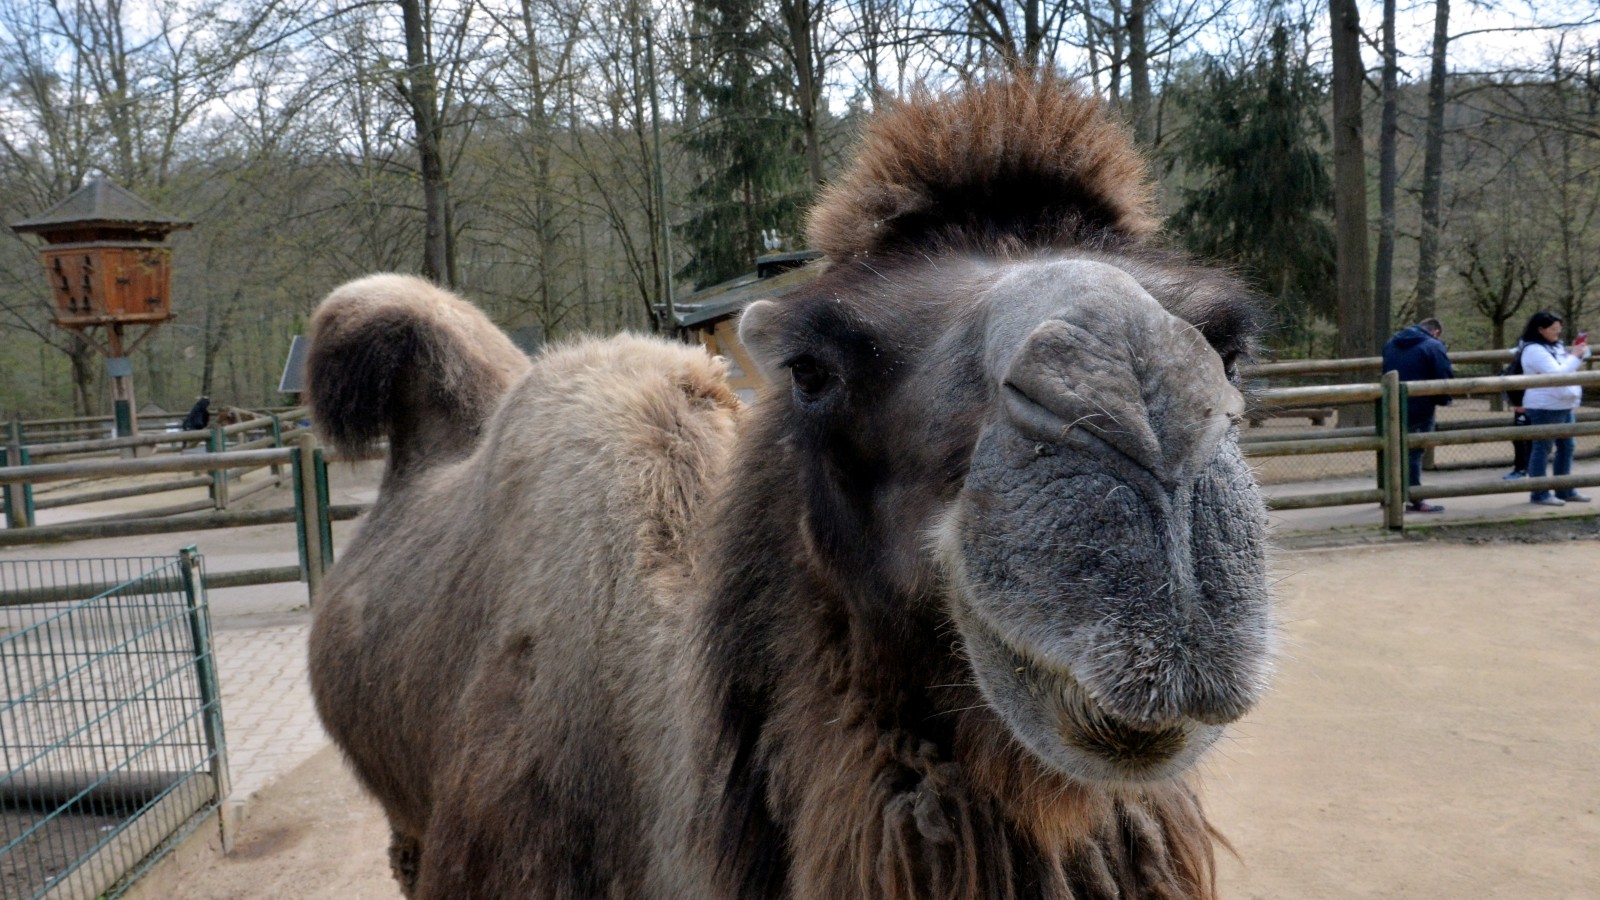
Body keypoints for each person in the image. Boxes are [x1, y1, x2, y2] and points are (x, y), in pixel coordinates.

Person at [1516, 311, 1592, 506]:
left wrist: (1578, 354)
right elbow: (1557, 373)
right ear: (1541, 329)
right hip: (1545, 405)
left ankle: (1564, 488)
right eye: (1553, 330)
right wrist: (1575, 356)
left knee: (1567, 446)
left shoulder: (1554, 345)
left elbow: (1567, 365)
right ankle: (1539, 493)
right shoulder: (1534, 350)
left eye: (1559, 330)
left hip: (1564, 403)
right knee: (1543, 448)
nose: (1557, 333)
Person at [1382, 318, 1453, 513]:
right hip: (1421, 405)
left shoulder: (1391, 343)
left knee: (1392, 449)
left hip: (1392, 404)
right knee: (1414, 451)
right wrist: (1444, 398)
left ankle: (1388, 494)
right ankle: (1416, 498)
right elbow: (1444, 374)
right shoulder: (1433, 346)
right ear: (1436, 332)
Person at [1503, 341, 1530, 479]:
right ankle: (1521, 467)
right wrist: (1517, 403)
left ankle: (1525, 467)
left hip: (1533, 403)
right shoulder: (1516, 364)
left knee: (1529, 437)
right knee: (1519, 437)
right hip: (1522, 404)